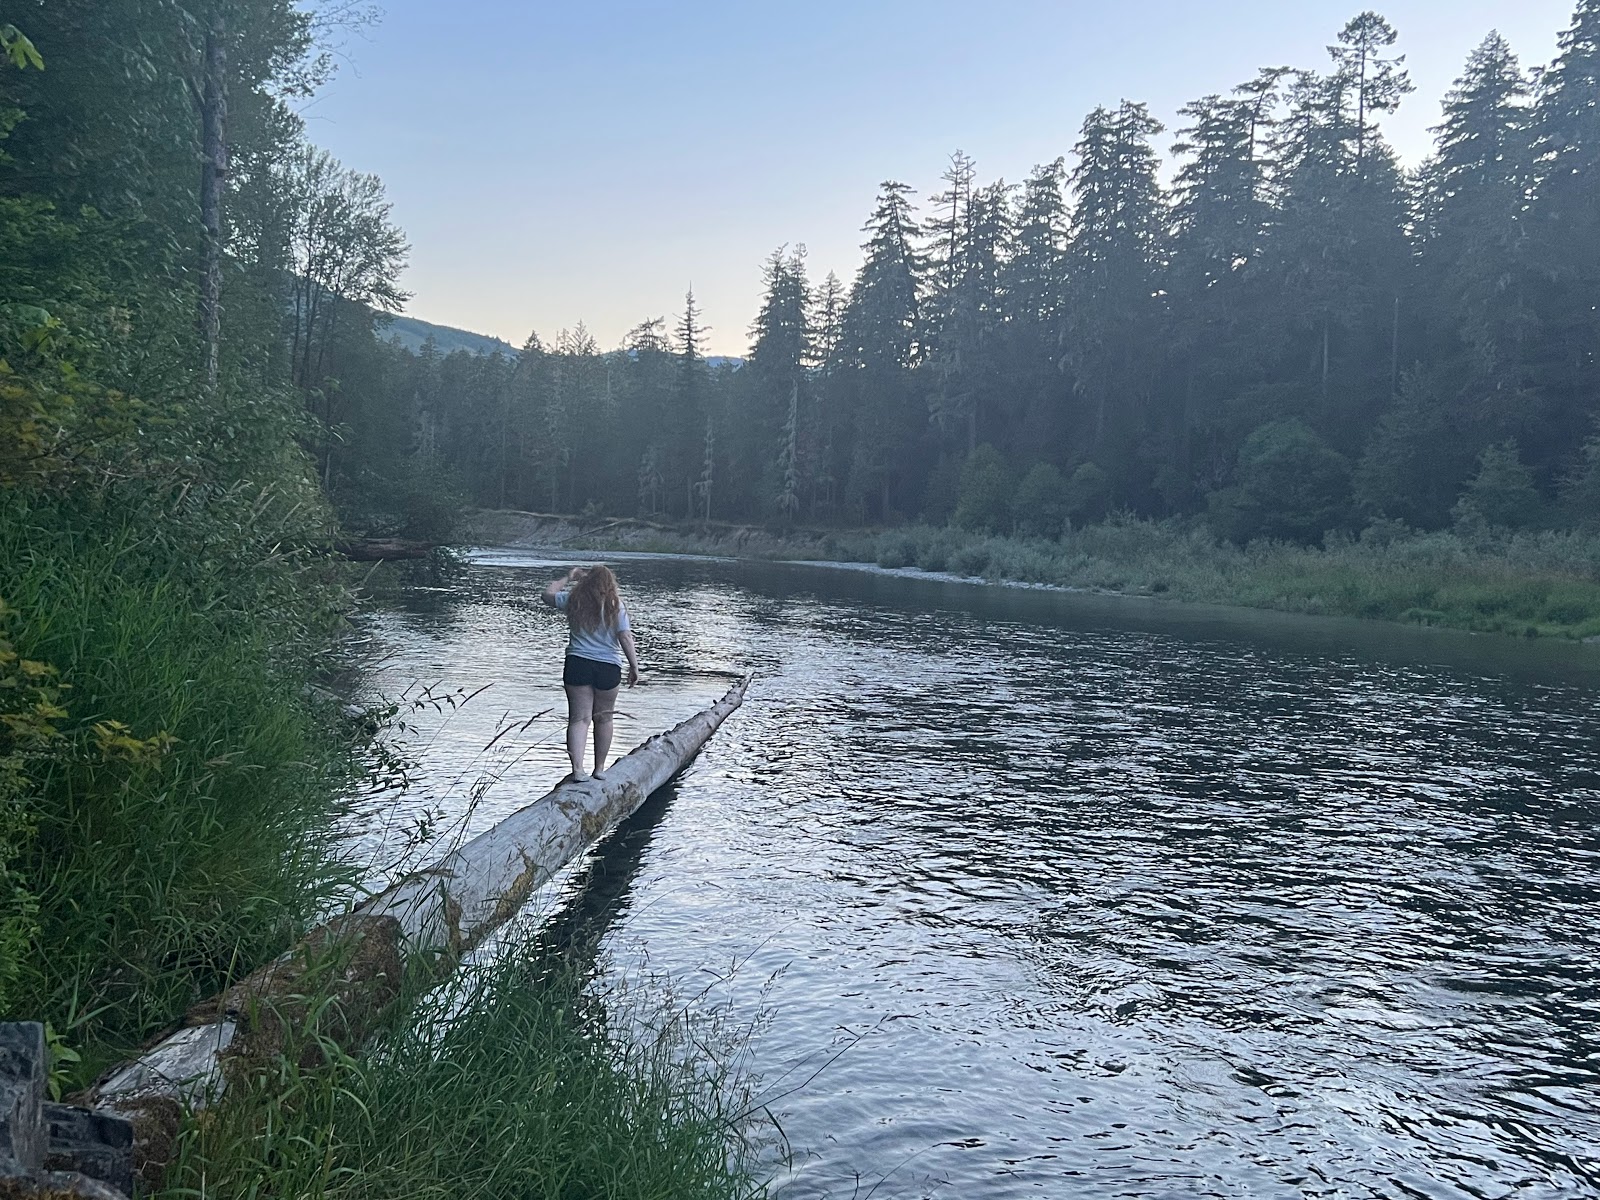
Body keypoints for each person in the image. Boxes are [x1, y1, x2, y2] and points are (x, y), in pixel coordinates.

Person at [541, 564, 640, 782]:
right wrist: (634, 666)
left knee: (579, 719)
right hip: (608, 667)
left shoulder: (574, 600)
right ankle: (599, 769)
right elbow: (625, 637)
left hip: (578, 663)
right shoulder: (616, 606)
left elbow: (547, 595)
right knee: (604, 719)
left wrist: (568, 577)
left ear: (586, 581)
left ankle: (577, 770)